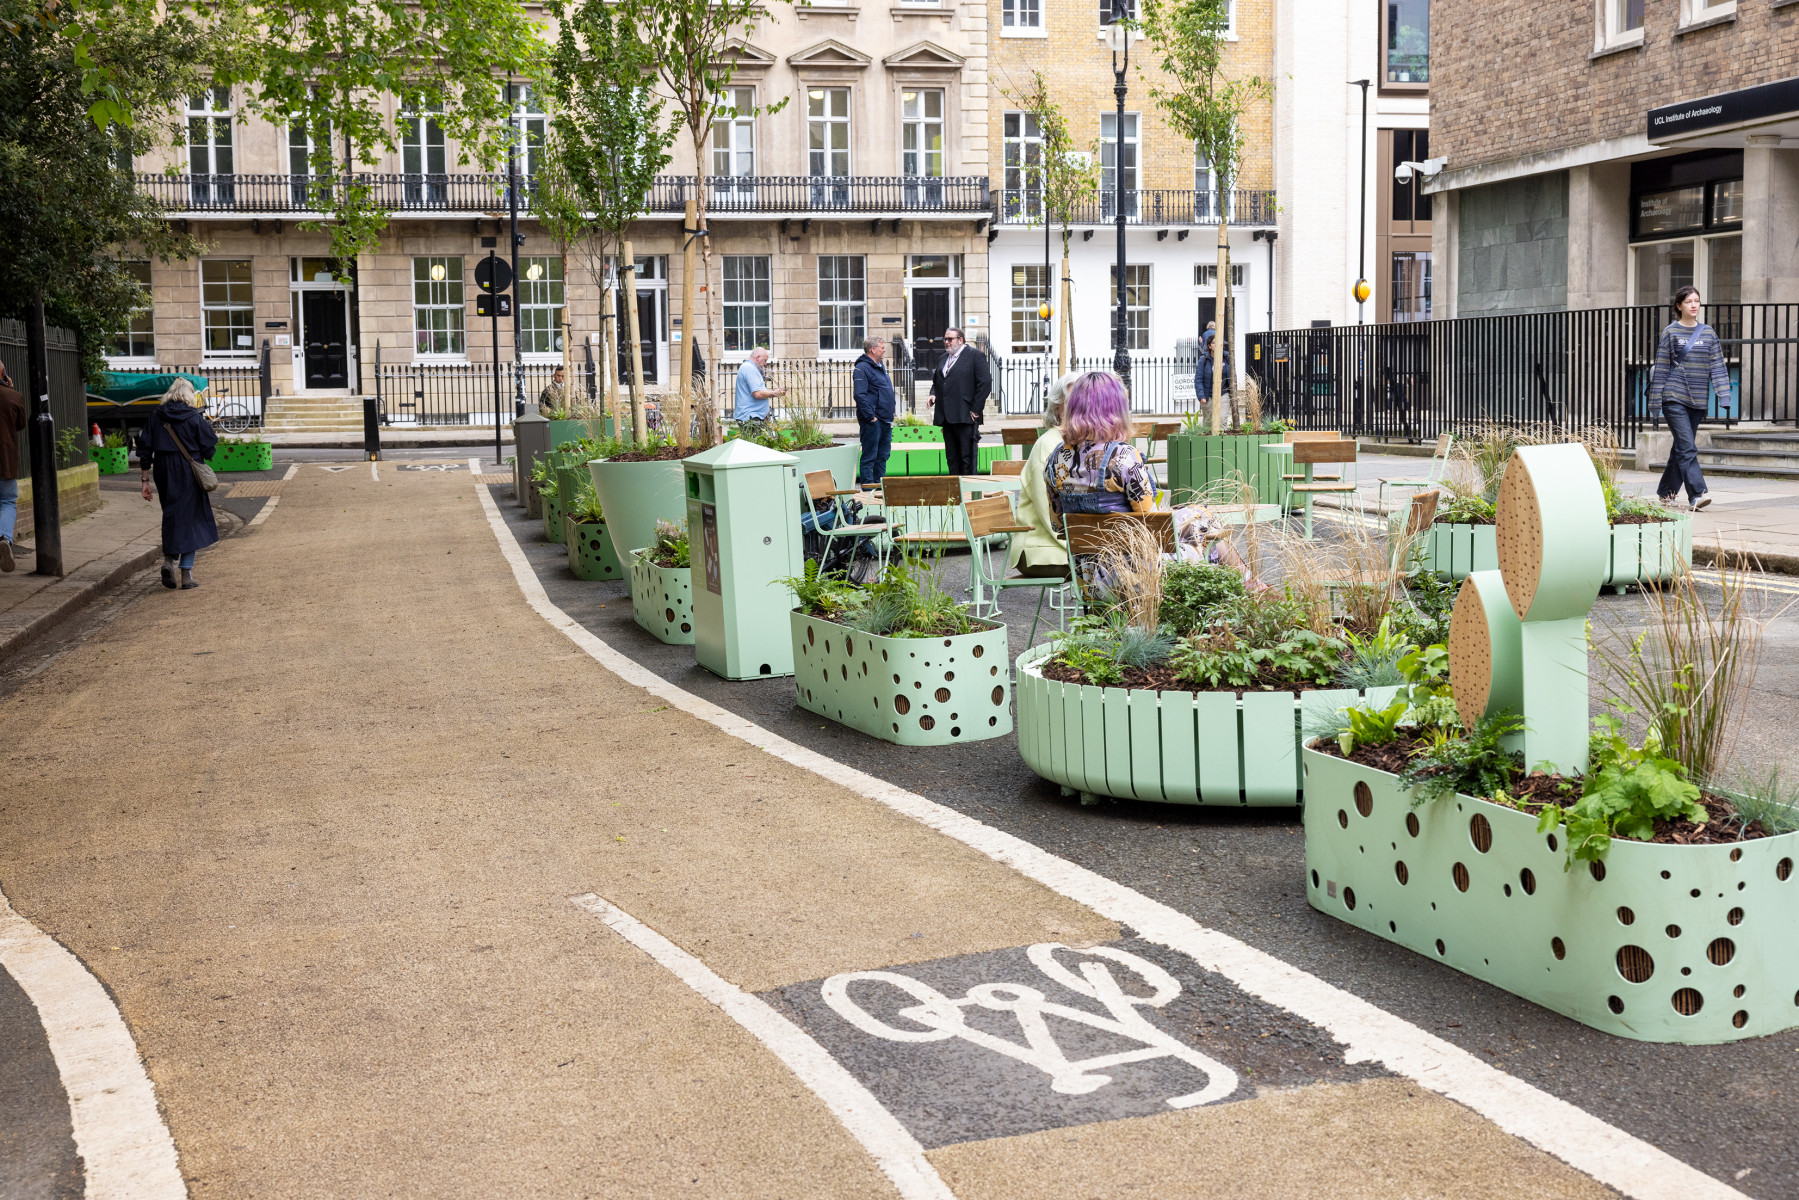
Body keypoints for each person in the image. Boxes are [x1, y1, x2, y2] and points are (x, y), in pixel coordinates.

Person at [1046, 370, 1259, 594]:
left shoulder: (1054, 461)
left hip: (1088, 580)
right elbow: (1154, 528)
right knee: (1207, 535)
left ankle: (1251, 584)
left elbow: (1058, 526)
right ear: (1115, 409)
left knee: (1199, 516)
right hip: (1135, 576)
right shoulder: (1123, 457)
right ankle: (1252, 587)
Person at [1650, 285, 1728, 511]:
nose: (1694, 305)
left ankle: (1666, 493)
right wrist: (1656, 401)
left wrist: (1723, 394)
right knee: (1687, 447)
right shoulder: (1671, 332)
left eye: (1697, 301)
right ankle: (1697, 494)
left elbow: (1717, 365)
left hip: (1697, 399)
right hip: (1673, 396)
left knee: (1681, 449)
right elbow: (1662, 367)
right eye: (1689, 302)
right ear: (1679, 306)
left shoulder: (1708, 333)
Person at [136, 377, 218, 590]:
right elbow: (209, 448)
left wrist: (145, 480)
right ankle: (186, 573)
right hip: (188, 469)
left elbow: (144, 448)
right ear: (190, 395)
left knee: (173, 514)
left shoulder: (156, 416)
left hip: (163, 469)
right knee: (191, 518)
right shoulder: (193, 417)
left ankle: (169, 560)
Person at [1006, 372, 1078, 579]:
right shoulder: (1049, 445)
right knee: (1110, 568)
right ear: (1058, 407)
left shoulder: (1074, 443)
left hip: (1062, 548)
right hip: (1041, 551)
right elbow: (1049, 513)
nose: (1079, 407)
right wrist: (1083, 550)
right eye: (1071, 401)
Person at [927, 326, 991, 476]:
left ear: (960, 340)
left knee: (966, 457)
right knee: (951, 457)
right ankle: (954, 493)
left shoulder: (975, 356)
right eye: (945, 339)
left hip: (965, 415)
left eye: (950, 339)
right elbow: (937, 382)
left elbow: (985, 383)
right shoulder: (943, 358)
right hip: (946, 416)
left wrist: (976, 409)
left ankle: (968, 492)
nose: (947, 342)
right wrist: (933, 394)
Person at [852, 336, 896, 486]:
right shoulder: (862, 368)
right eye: (882, 347)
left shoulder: (880, 366)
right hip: (873, 421)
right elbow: (859, 395)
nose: (884, 350)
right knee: (870, 457)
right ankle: (868, 491)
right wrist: (871, 417)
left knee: (883, 456)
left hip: (886, 419)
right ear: (873, 349)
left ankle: (879, 488)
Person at [0, 360, 23, 573]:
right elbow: (20, 425)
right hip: (4, 461)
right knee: (7, 501)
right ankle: (5, 538)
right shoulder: (12, 397)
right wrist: (10, 390)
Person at [733, 346, 786, 426]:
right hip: (750, 417)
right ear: (758, 357)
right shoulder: (749, 368)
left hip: (753, 416)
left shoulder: (750, 368)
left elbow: (759, 389)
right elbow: (757, 393)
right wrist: (774, 393)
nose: (765, 363)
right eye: (765, 360)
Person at [1195, 320, 1233, 403]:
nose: (1217, 344)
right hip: (1209, 394)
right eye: (1213, 343)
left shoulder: (1226, 357)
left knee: (1222, 416)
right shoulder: (1204, 360)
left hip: (1223, 394)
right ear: (1210, 345)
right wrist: (1201, 396)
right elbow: (1198, 379)